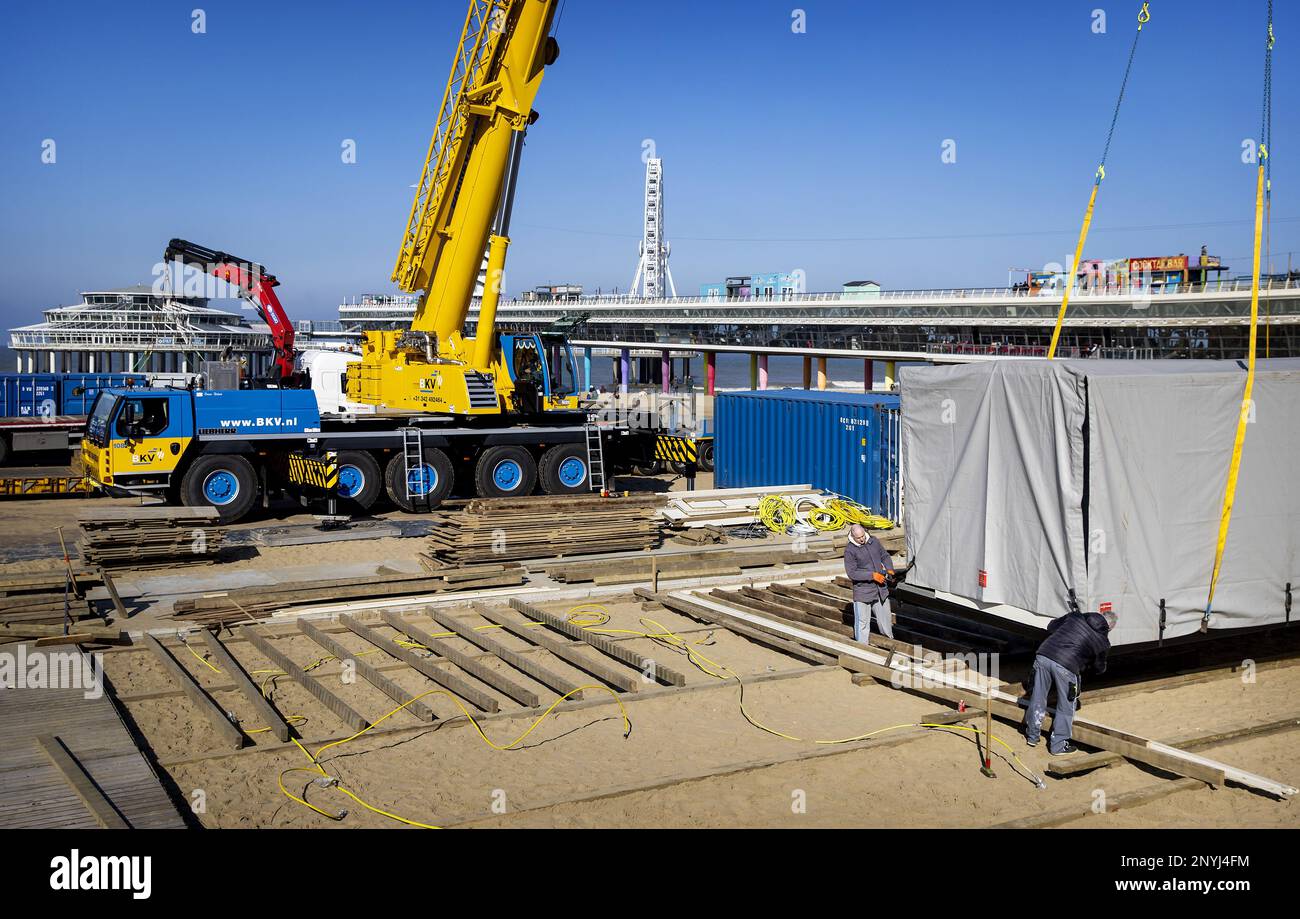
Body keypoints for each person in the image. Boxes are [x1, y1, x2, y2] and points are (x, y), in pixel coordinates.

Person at [1023, 609, 1117, 754]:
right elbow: (1099, 668)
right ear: (1110, 628)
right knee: (1066, 706)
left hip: (1044, 655)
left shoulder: (1075, 616)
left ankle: (1032, 736)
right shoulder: (1103, 642)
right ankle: (1058, 746)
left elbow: (1051, 626)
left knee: (1038, 696)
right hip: (1066, 666)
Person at [843, 524, 895, 642]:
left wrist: (889, 567)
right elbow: (852, 573)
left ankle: (889, 645)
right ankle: (862, 650)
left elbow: (885, 555)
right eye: (858, 538)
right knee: (862, 623)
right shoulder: (850, 551)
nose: (862, 539)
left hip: (880, 589)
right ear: (852, 536)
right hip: (863, 592)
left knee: (886, 621)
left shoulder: (873, 541)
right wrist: (872, 576)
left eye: (862, 536)